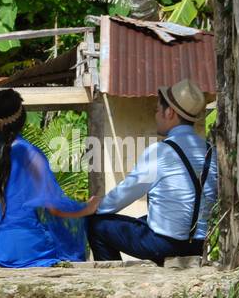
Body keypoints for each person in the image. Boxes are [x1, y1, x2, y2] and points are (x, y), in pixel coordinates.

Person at [0, 88, 98, 267]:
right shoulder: (31, 155)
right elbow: (55, 208)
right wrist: (87, 208)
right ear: (21, 119)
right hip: (22, 245)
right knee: (66, 252)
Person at [86, 78, 218, 265]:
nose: (156, 116)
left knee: (97, 225)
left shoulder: (160, 152)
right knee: (143, 219)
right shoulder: (212, 151)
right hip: (198, 243)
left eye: (157, 110)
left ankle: (113, 280)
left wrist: (94, 207)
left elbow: (126, 193)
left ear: (170, 112)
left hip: (165, 244)